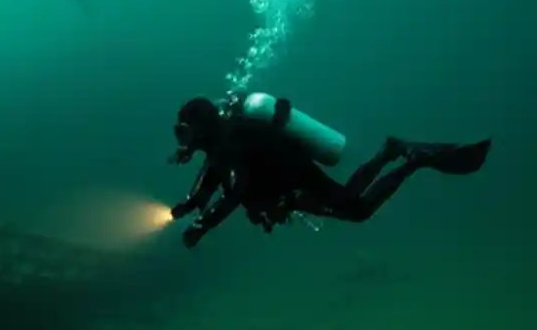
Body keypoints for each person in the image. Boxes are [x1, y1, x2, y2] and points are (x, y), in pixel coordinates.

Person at [168, 95, 491, 248]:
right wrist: (190, 203)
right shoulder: (221, 142)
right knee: (353, 205)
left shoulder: (230, 141)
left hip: (295, 176)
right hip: (288, 185)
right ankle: (390, 152)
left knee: (357, 207)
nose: (184, 140)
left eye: (185, 131)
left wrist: (200, 225)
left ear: (202, 126)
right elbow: (211, 178)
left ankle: (409, 160)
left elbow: (234, 191)